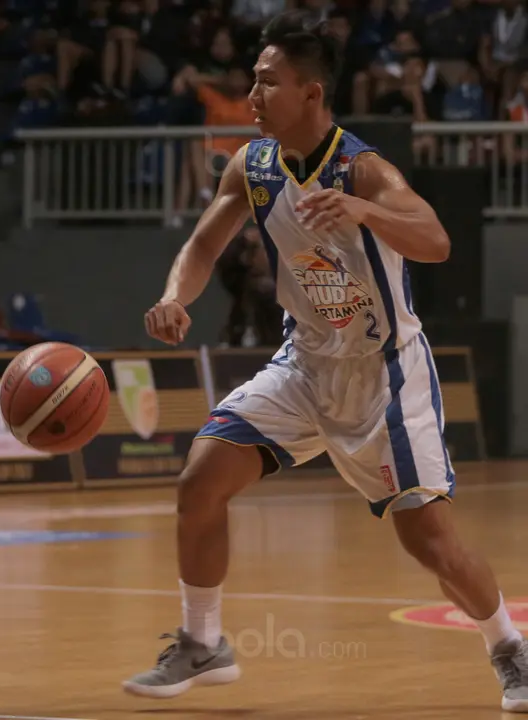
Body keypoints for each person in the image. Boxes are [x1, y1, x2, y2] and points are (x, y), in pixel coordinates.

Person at [127, 11, 528, 713]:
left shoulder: (364, 170)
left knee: (430, 542)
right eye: (252, 80)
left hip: (385, 376)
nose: (252, 95)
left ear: (311, 93)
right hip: (304, 366)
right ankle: (202, 643)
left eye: (267, 82)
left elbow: (435, 240)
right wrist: (173, 297)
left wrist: (364, 211)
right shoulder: (250, 166)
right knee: (199, 482)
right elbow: (202, 247)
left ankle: (509, 649)